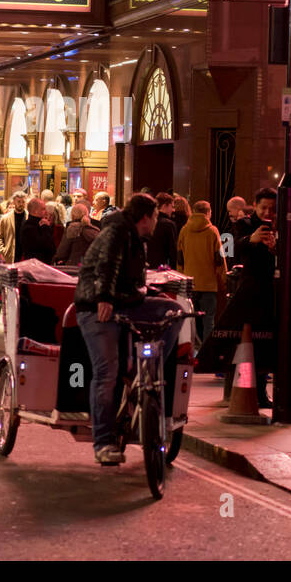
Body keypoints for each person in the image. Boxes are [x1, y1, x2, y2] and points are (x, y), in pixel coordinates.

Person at [74, 193, 181, 466]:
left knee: (174, 312)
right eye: (156, 216)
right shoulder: (118, 232)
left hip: (125, 303)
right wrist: (104, 299)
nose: (158, 221)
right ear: (145, 218)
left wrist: (147, 291)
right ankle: (104, 443)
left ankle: (151, 368)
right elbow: (105, 265)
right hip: (96, 306)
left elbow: (131, 277)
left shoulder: (137, 239)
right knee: (106, 373)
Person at [215, 187, 281, 408]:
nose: (268, 213)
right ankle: (243, 390)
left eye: (272, 208)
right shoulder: (243, 225)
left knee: (266, 344)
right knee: (247, 343)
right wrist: (252, 239)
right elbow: (233, 248)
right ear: (255, 205)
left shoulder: (282, 225)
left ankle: (261, 391)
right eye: (264, 207)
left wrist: (275, 248)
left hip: (272, 291)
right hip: (249, 290)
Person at [176, 200, 225, 348]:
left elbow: (180, 258)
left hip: (190, 282)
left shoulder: (184, 230)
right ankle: (207, 349)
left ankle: (191, 349)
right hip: (209, 283)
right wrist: (223, 279)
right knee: (208, 319)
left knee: (190, 320)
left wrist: (181, 278)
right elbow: (219, 258)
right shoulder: (212, 231)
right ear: (208, 212)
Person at [17, 198, 55, 265]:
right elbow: (46, 246)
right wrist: (45, 227)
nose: (46, 212)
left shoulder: (40, 223)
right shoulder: (28, 227)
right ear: (35, 211)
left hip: (42, 264)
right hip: (35, 266)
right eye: (43, 209)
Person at [145, 193, 179, 269]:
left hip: (147, 266)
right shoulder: (169, 224)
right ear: (164, 206)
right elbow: (173, 252)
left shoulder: (147, 221)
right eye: (172, 207)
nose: (173, 210)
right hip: (162, 268)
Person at [0, 191, 28, 264]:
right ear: (14, 202)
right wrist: (3, 250)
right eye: (19, 202)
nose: (21, 204)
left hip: (25, 255)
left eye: (23, 202)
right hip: (10, 255)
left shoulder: (29, 217)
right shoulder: (5, 218)